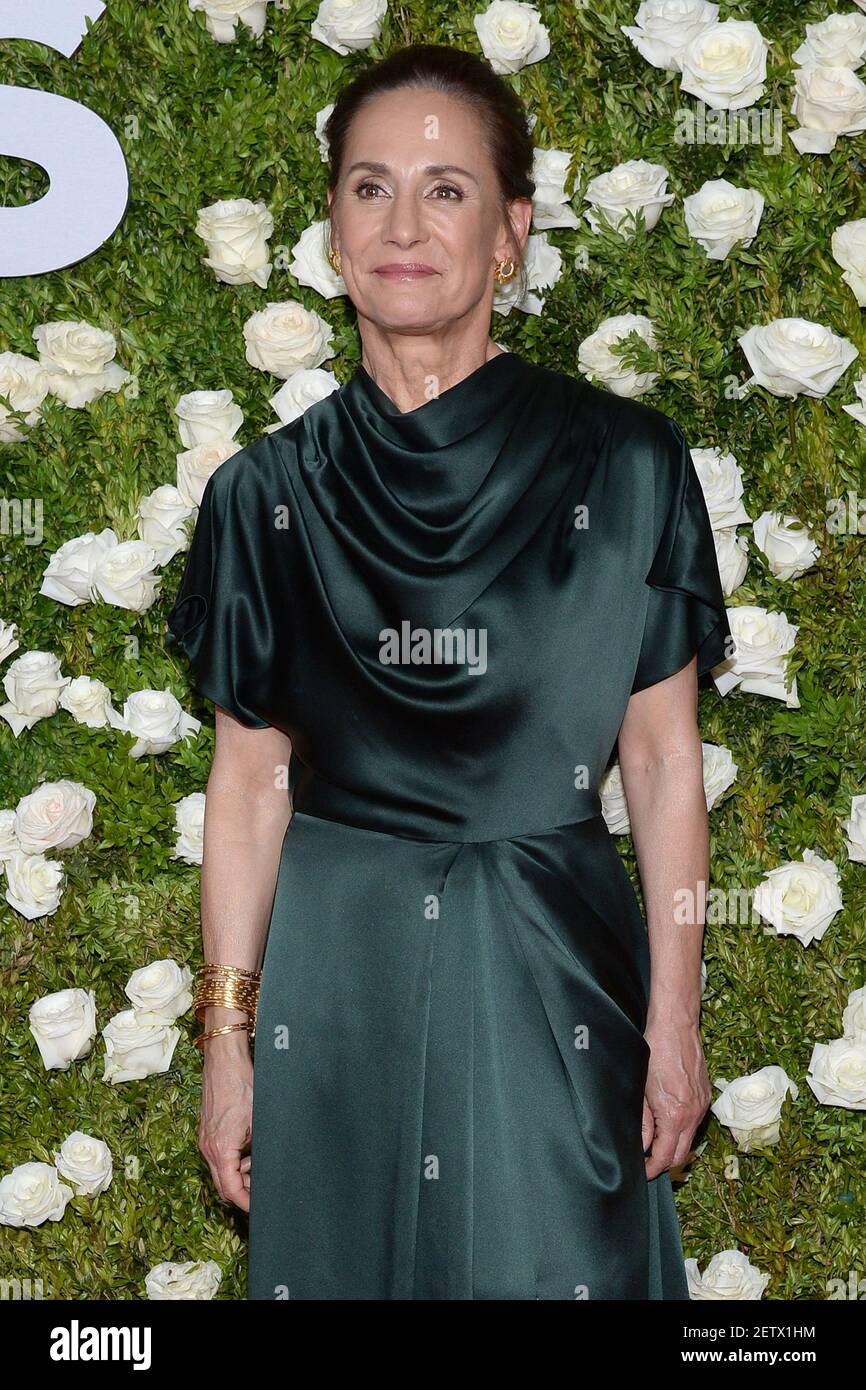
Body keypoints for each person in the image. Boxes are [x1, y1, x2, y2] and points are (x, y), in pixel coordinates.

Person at [167, 42, 734, 1301]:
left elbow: (658, 759)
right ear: (329, 230)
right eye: (368, 188)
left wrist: (676, 1017)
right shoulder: (260, 496)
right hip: (338, 975)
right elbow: (250, 779)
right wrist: (226, 1042)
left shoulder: (626, 465)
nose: (402, 225)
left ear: (510, 231)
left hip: (551, 959)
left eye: (445, 189)